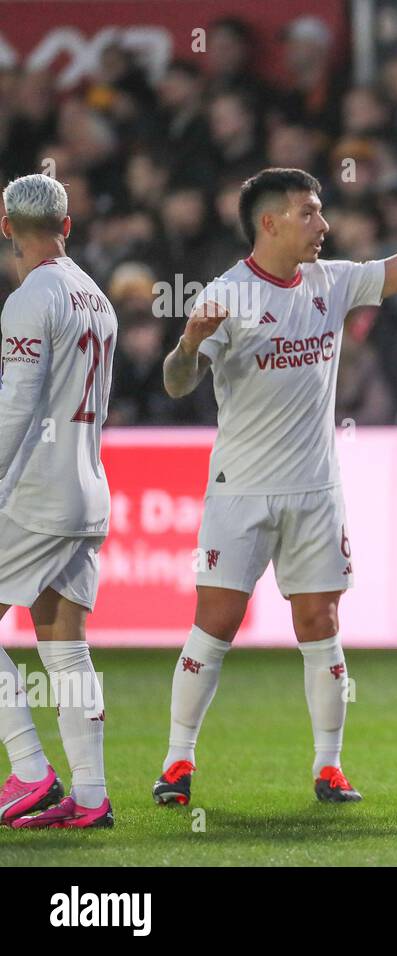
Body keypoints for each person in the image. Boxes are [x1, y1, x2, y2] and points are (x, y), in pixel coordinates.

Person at [151, 146, 397, 806]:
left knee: (320, 621)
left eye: (321, 210)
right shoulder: (227, 295)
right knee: (216, 622)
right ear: (270, 224)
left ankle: (329, 767)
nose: (324, 224)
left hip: (316, 492)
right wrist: (190, 344)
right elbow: (175, 384)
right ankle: (176, 762)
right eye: (310, 213)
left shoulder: (330, 282)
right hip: (240, 492)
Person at [0, 174, 117, 829]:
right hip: (87, 490)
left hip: (39, 492)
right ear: (67, 226)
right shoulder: (97, 297)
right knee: (64, 645)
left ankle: (28, 770)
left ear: (5, 226)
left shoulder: (29, 299)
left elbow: (19, 402)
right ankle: (92, 797)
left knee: (61, 645)